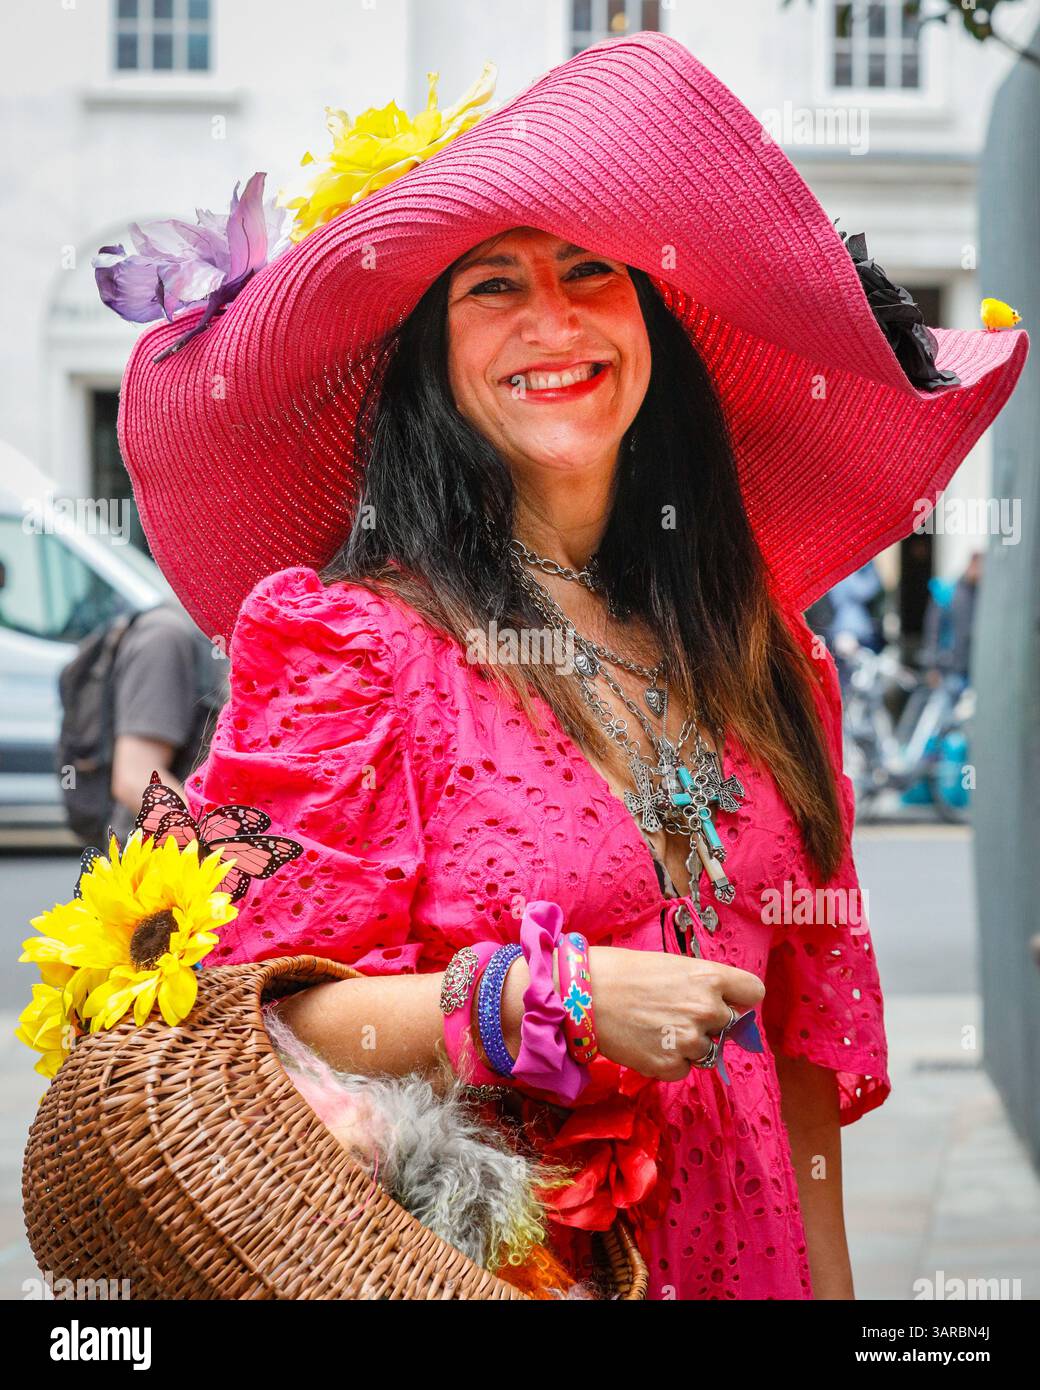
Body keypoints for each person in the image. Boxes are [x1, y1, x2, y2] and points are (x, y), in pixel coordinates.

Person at [104, 34, 1028, 1300]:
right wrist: (548, 998)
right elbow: (242, 1023)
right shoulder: (349, 652)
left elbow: (795, 1071)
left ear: (648, 322)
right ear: (430, 364)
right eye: (491, 287)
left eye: (592, 270)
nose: (554, 319)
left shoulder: (766, 653)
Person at [108, 603, 225, 841]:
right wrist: (216, 849)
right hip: (162, 865)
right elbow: (134, 777)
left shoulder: (228, 635)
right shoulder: (167, 636)